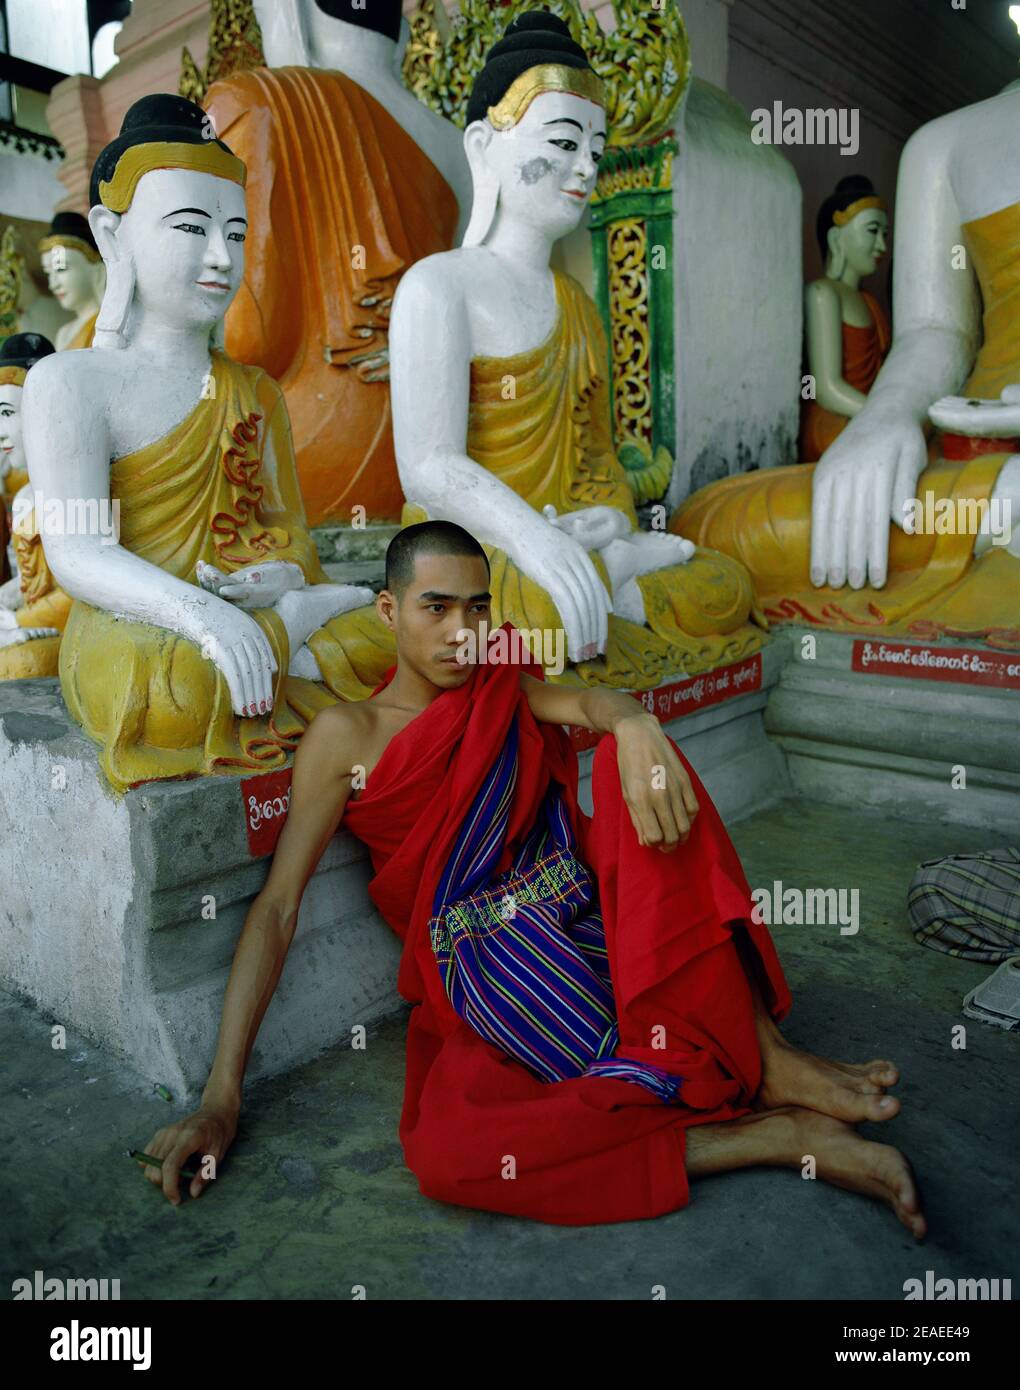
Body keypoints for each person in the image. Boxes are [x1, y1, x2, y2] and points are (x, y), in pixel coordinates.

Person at [138, 520, 925, 1237]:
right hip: (484, 964)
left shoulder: (498, 683)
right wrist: (220, 1097)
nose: (462, 633)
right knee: (454, 1156)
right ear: (387, 611)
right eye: (435, 608)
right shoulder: (349, 735)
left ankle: (766, 1053)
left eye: (477, 610)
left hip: (581, 911)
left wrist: (634, 722)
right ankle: (762, 1134)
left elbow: (586, 698)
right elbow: (277, 908)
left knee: (631, 762)